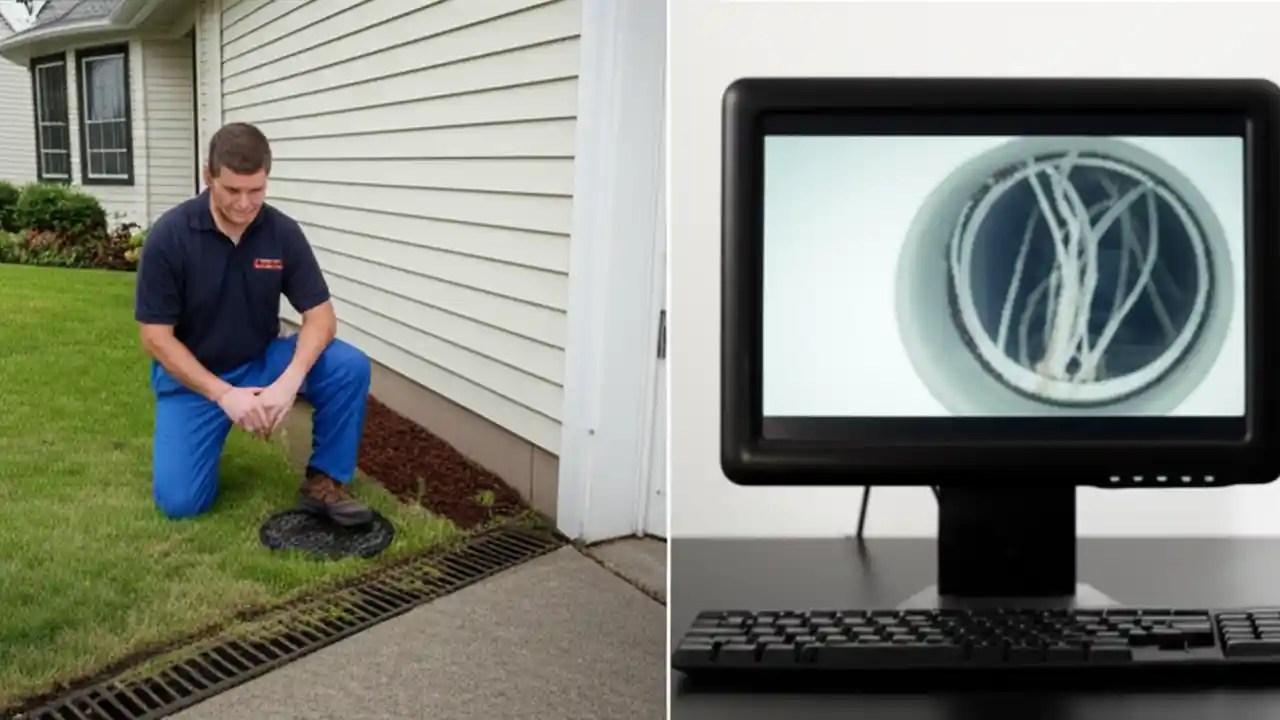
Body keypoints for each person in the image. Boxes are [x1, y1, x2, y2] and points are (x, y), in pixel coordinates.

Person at [134, 122, 373, 526]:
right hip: (195, 379)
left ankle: (323, 482)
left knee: (348, 365)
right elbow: (156, 338)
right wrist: (224, 395)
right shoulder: (170, 237)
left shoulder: (281, 232)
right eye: (232, 191)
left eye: (256, 190)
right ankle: (206, 435)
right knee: (180, 503)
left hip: (261, 360)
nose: (245, 203)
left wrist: (289, 381)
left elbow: (321, 317)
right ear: (207, 176)